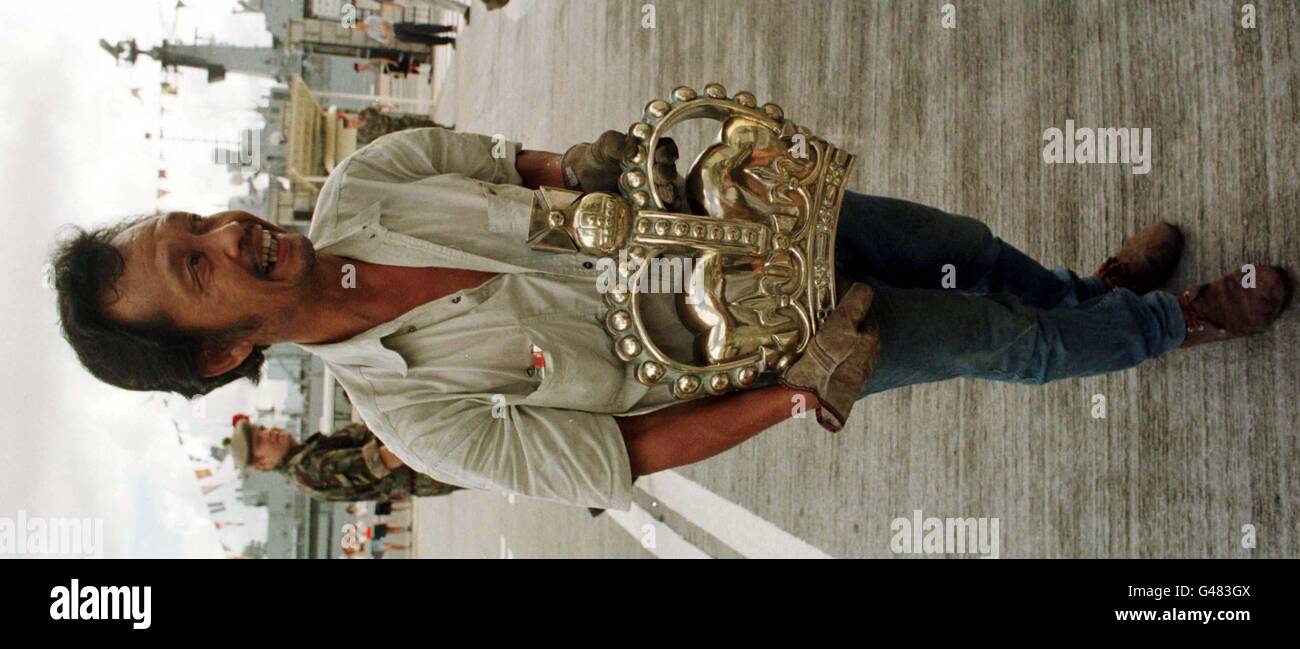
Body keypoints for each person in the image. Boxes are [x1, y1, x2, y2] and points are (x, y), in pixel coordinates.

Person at [52, 126, 1291, 512]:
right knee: (998, 346)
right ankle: (1176, 322)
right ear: (219, 353)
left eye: (194, 225)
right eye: (200, 270)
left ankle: (1101, 296)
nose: (227, 234)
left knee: (960, 252)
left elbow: (521, 164)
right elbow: (626, 454)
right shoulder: (416, 420)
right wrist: (800, 384)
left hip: (746, 227)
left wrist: (586, 165)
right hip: (760, 350)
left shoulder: (366, 182)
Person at [222, 414, 462, 502]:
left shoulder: (308, 452)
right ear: (263, 464)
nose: (268, 432)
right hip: (426, 462)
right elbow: (384, 460)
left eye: (261, 428)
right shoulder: (307, 471)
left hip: (424, 457)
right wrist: (431, 429)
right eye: (259, 440)